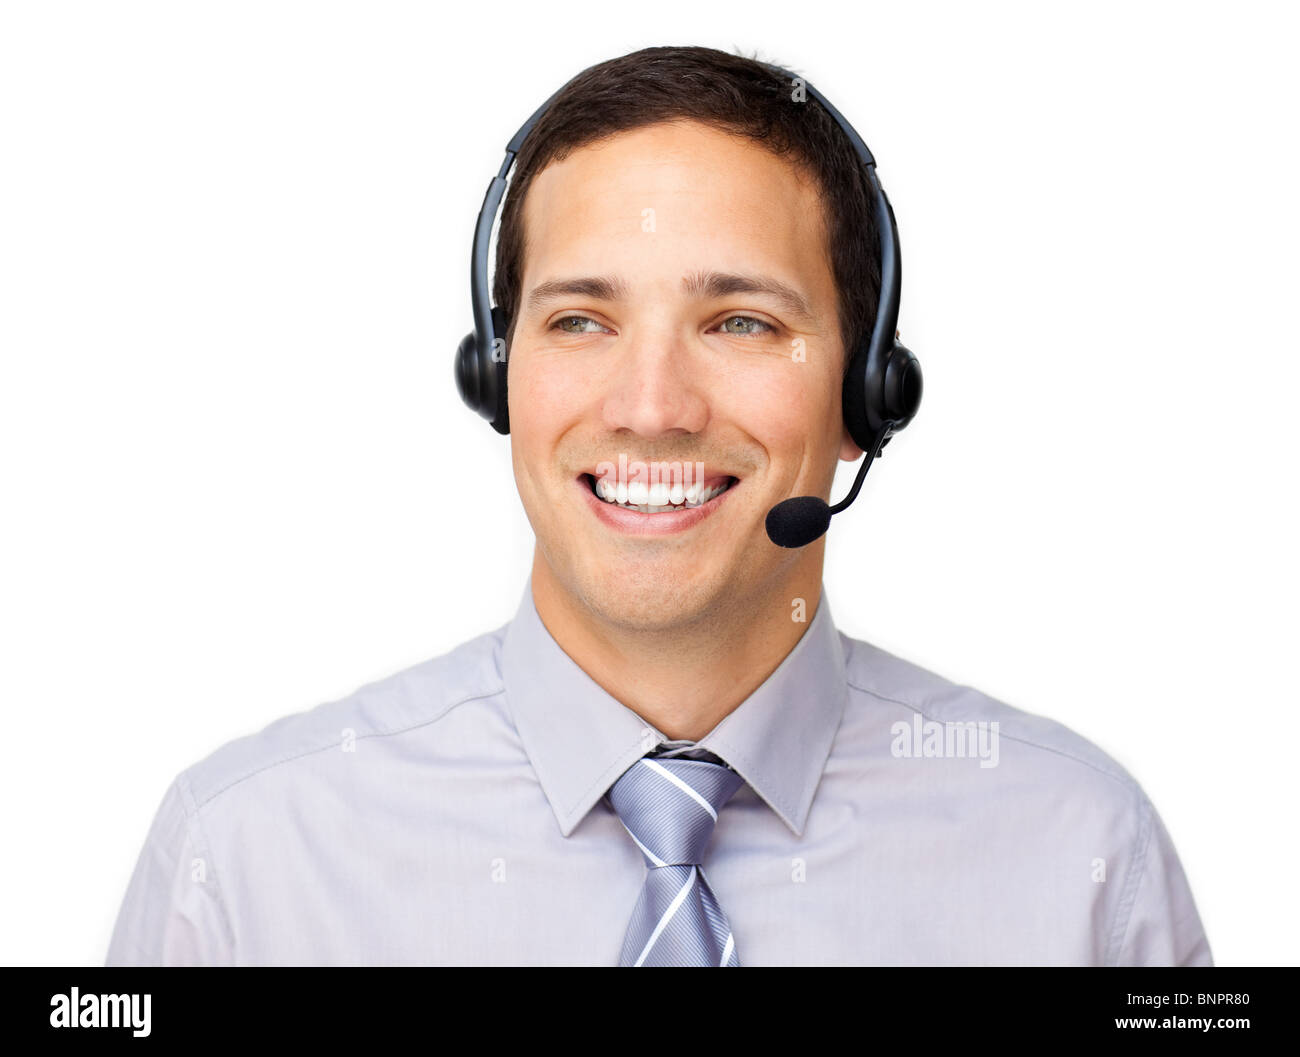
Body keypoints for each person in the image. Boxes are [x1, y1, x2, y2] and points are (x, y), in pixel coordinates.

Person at [106, 44, 1211, 967]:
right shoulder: (246, 857)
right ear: (495, 376)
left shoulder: (1083, 859)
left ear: (870, 394)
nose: (651, 408)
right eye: (580, 320)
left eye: (739, 322)